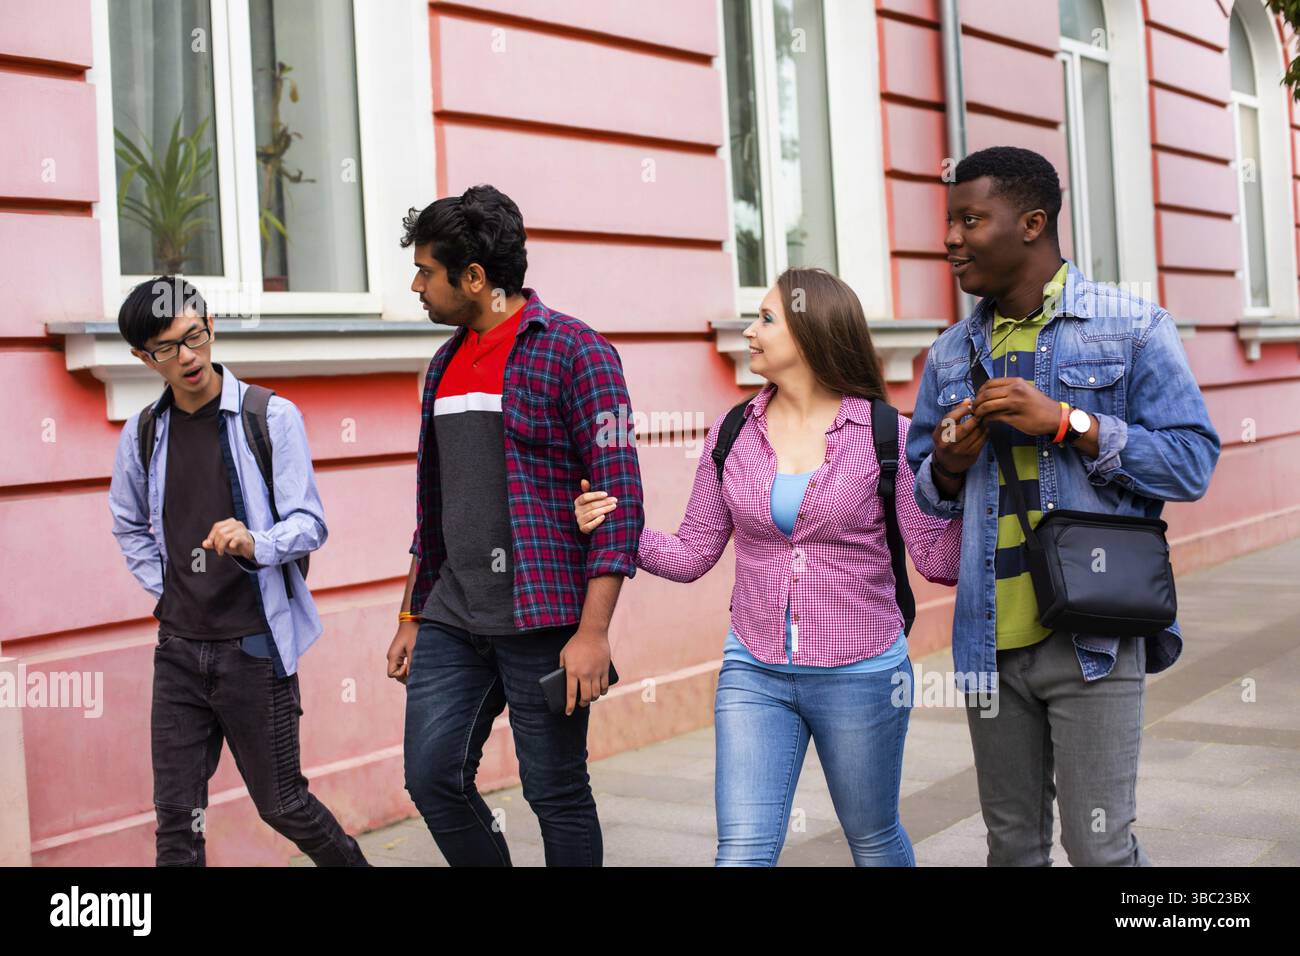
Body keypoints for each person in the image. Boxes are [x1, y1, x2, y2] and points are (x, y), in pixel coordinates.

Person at [574, 267, 961, 866]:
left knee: (873, 838)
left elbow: (939, 560)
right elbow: (692, 555)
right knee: (741, 852)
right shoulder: (732, 433)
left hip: (861, 673)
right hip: (753, 670)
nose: (749, 331)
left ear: (811, 333)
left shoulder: (888, 435)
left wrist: (958, 477)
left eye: (766, 319)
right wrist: (614, 523)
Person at [905, 146, 1220, 866]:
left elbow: (1191, 462)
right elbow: (926, 490)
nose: (950, 239)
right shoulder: (950, 354)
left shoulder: (1131, 327)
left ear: (1032, 223)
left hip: (1092, 635)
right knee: (1013, 849)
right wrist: (948, 464)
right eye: (950, 221)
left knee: (1098, 847)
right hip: (989, 640)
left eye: (970, 220)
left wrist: (1068, 423)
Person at [387, 185, 644, 866]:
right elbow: (434, 509)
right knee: (432, 777)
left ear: (474, 277)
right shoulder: (443, 364)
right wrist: (412, 613)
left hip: (545, 618)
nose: (416, 286)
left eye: (425, 272)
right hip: (452, 616)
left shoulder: (578, 352)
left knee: (555, 792)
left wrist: (593, 632)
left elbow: (620, 500)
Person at [108, 276, 368, 866]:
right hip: (178, 650)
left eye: (194, 336)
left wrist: (256, 541)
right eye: (167, 348)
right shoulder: (144, 432)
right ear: (144, 358)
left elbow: (310, 523)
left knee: (283, 805)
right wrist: (167, 587)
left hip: (254, 648)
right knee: (176, 823)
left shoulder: (269, 416)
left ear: (211, 326)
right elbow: (127, 523)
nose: (187, 357)